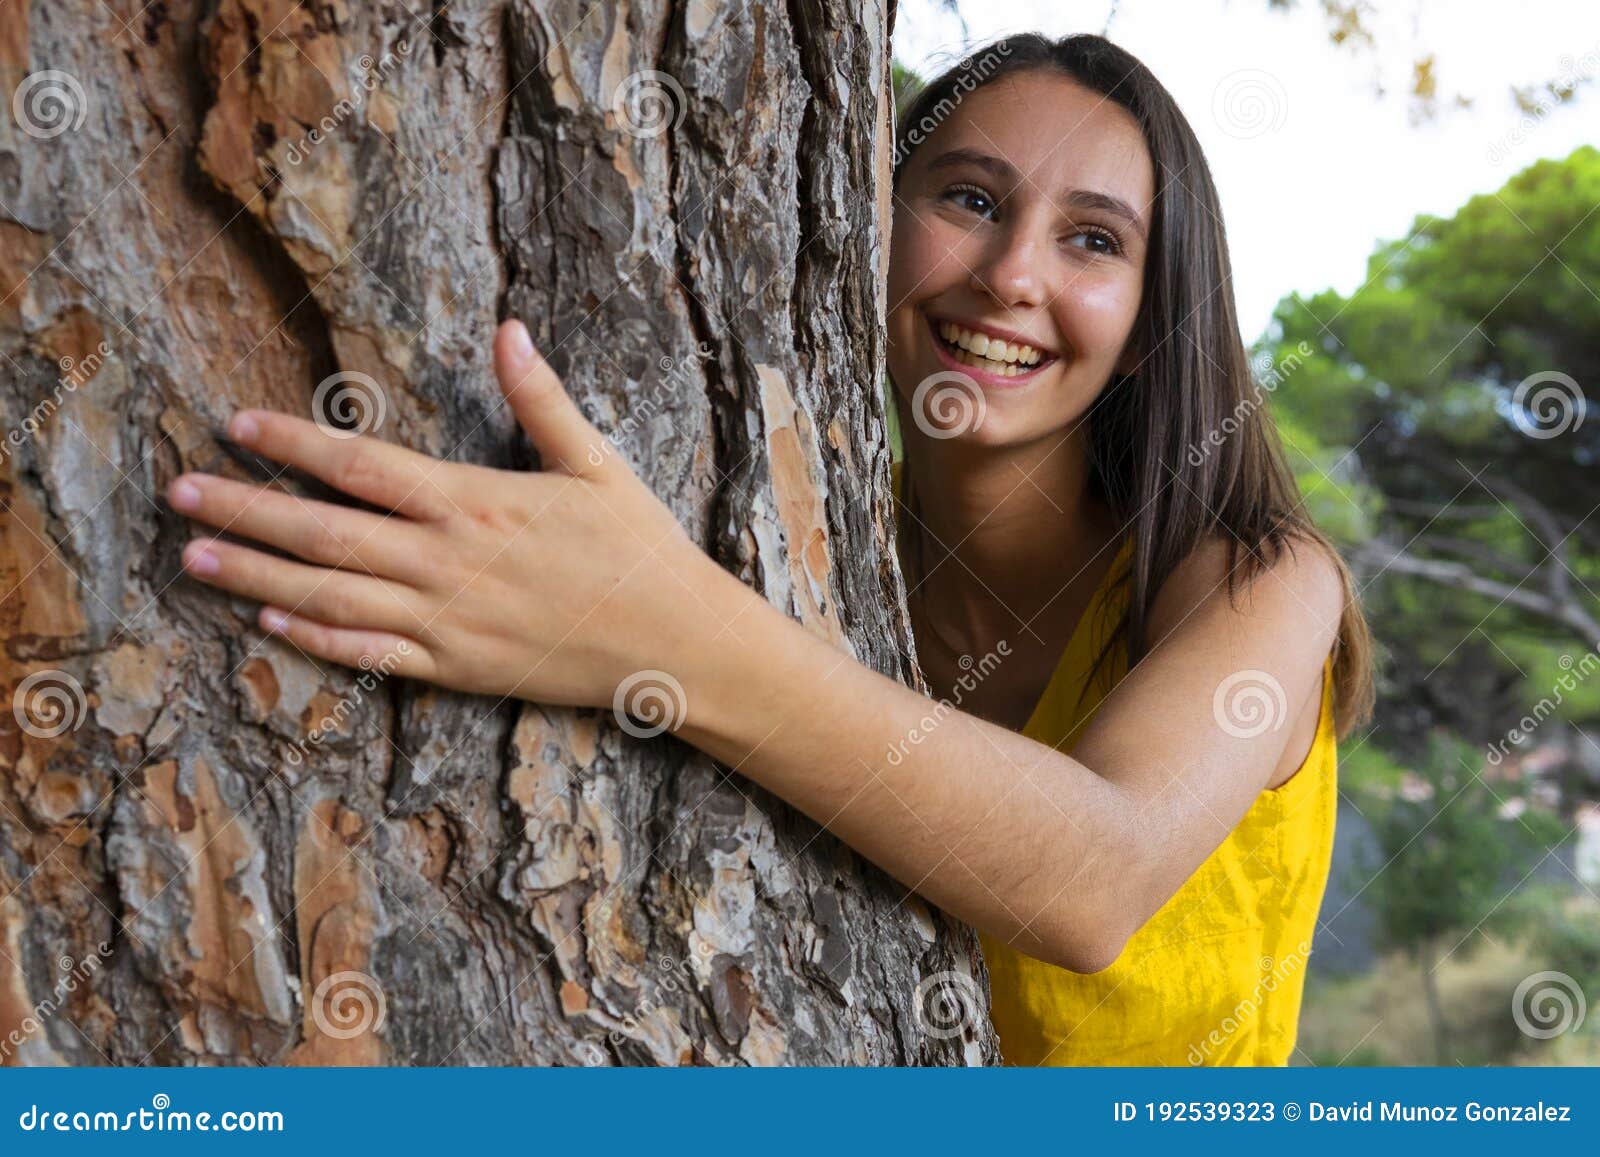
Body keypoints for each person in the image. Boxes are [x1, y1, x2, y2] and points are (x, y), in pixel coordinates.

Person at [163, 32, 1374, 1065]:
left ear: (1161, 306)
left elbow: (1092, 880)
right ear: (859, 220)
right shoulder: (815, 540)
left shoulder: (1258, 578)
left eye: (1093, 240)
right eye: (969, 200)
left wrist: (657, 626)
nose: (1011, 275)